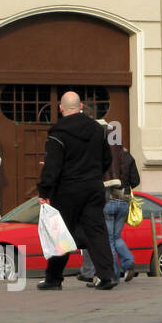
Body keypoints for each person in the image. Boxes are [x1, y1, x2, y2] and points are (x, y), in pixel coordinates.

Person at [36, 92, 116, 290]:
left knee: (60, 234)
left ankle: (54, 279)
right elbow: (107, 158)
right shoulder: (97, 130)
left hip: (67, 190)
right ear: (80, 106)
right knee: (97, 232)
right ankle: (107, 276)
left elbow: (52, 166)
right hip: (93, 187)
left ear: (61, 108)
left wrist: (44, 191)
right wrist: (95, 173)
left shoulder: (58, 133)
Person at [101, 125, 140, 282]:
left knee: (109, 238)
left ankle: (114, 274)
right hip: (124, 201)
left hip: (109, 200)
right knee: (116, 237)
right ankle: (128, 262)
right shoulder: (128, 156)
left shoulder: (107, 156)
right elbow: (136, 180)